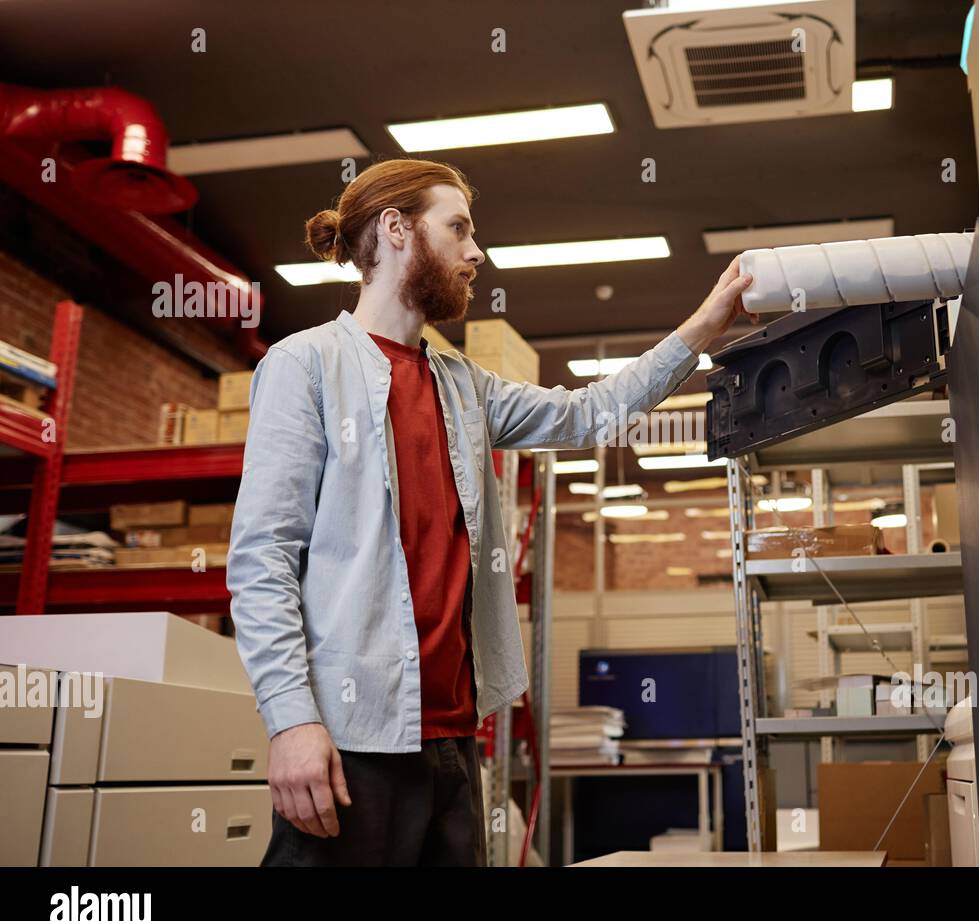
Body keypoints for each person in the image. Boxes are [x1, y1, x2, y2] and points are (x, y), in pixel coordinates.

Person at [226, 158, 755, 865]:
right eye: (459, 229)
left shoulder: (462, 387)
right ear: (395, 229)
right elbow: (261, 560)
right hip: (355, 745)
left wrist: (703, 328)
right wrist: (291, 721)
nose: (477, 253)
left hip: (451, 742)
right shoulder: (306, 367)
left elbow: (588, 414)